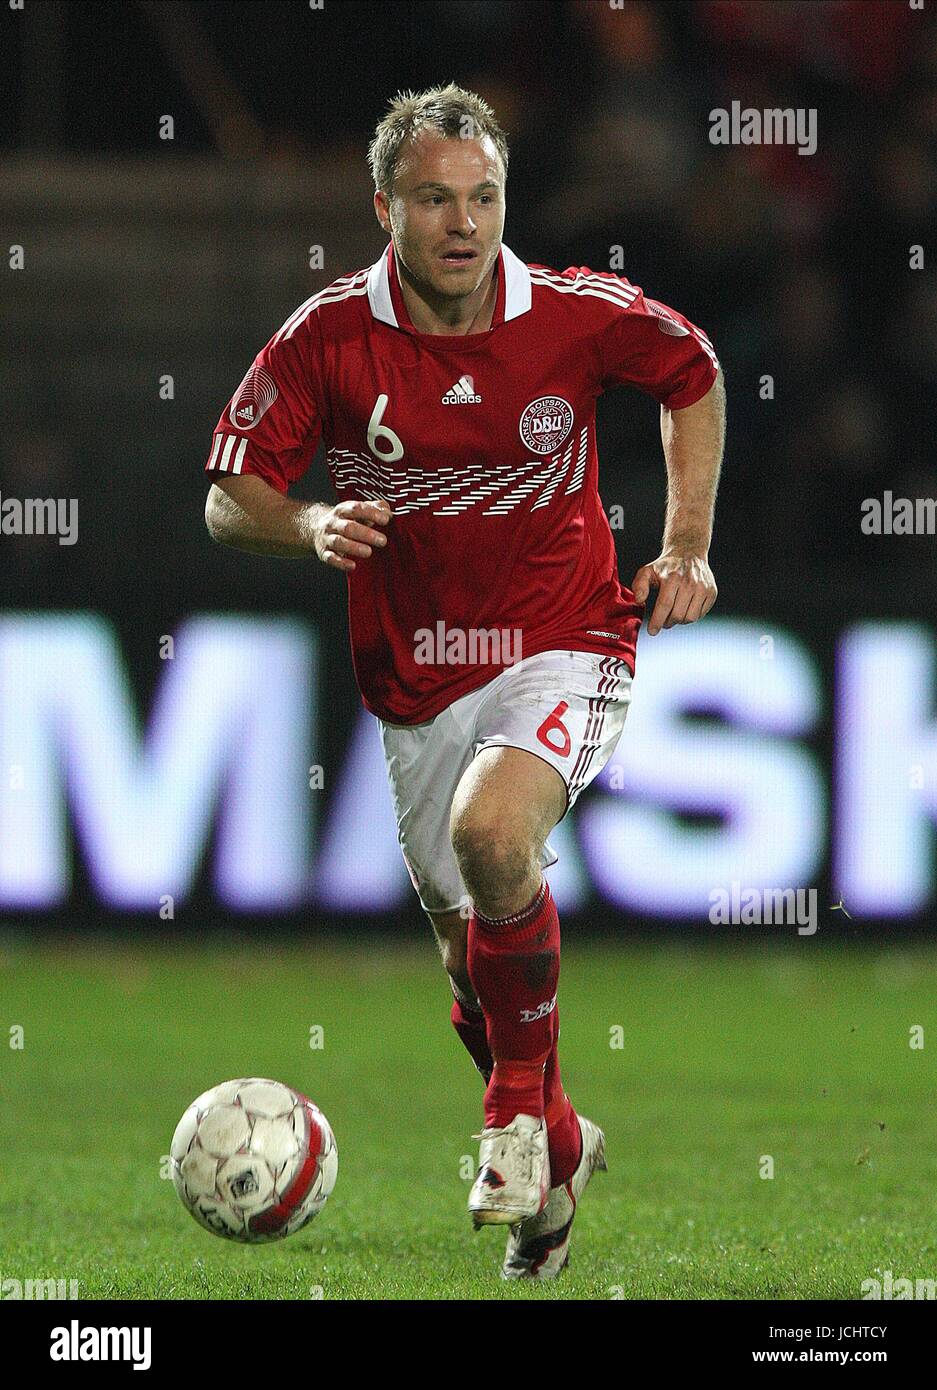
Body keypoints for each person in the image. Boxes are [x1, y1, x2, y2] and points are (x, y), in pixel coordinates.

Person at [204, 83, 724, 1280]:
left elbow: (691, 369)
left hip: (568, 639)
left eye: (483, 196)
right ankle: (553, 1149)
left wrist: (686, 542)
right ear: (382, 205)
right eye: (434, 198)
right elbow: (231, 498)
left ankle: (505, 1126)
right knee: (468, 962)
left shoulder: (576, 316)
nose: (463, 222)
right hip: (418, 679)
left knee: (494, 833)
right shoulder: (324, 338)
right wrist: (314, 525)